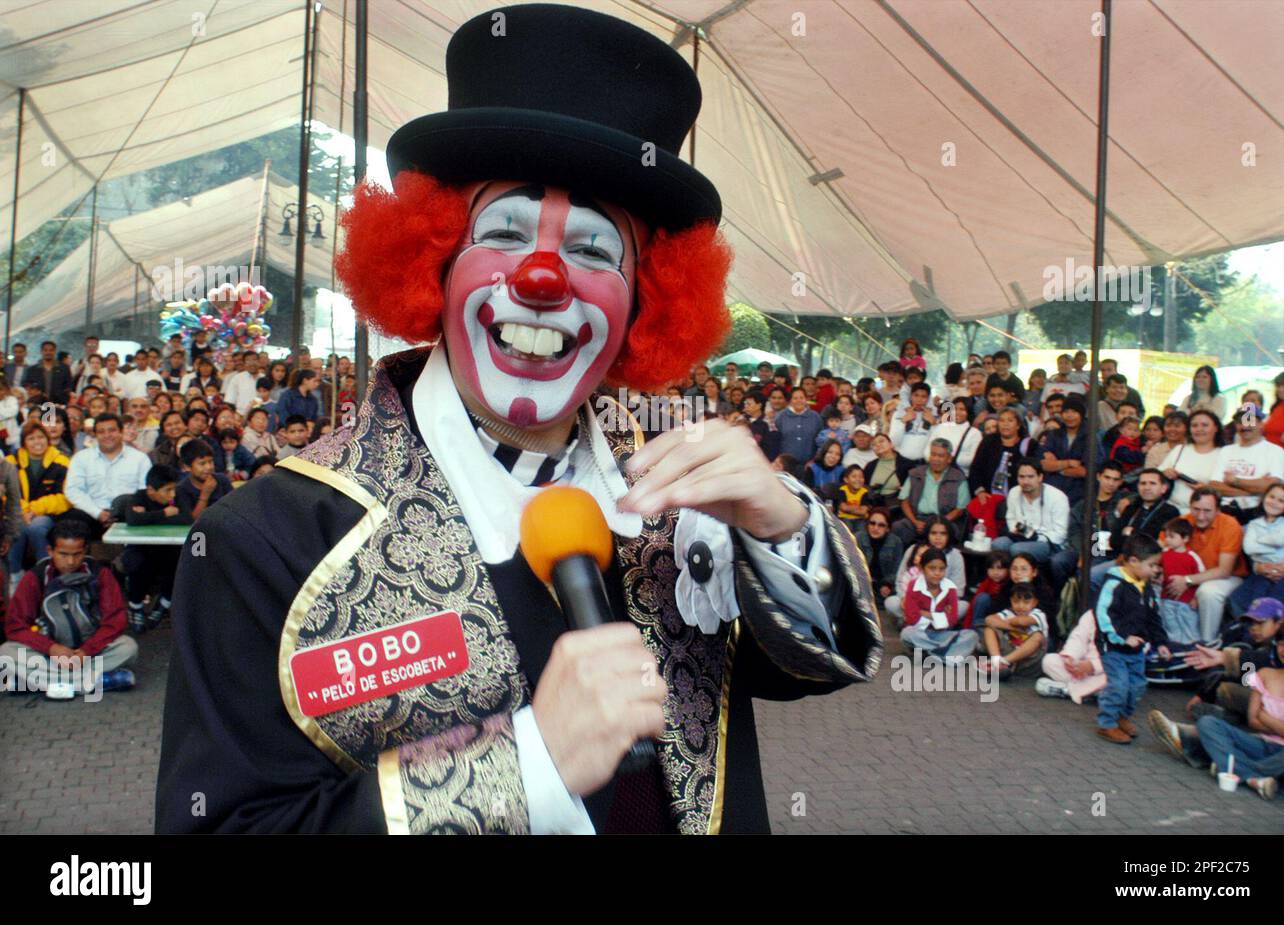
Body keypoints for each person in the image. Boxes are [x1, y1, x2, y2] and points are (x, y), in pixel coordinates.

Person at [156, 5, 881, 835]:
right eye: (503, 232)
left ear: (647, 300)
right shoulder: (268, 542)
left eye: (594, 250)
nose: (542, 278)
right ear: (430, 262)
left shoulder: (683, 495)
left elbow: (820, 665)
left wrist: (781, 525)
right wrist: (529, 765)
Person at [0, 518, 137, 697]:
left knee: (128, 647)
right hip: (49, 652)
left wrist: (86, 651)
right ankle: (90, 683)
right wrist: (52, 648)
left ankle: (42, 683)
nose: (71, 561)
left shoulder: (100, 573)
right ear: (50, 551)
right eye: (63, 554)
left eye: (77, 554)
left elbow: (115, 621)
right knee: (6, 651)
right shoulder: (36, 576)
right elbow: (16, 626)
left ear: (85, 551)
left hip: (89, 651)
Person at [1192, 619, 1284, 800]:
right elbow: (1253, 721)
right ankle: (1253, 778)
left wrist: (1267, 718)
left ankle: (1229, 765)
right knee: (1207, 723)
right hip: (1261, 744)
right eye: (1282, 644)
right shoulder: (1265, 674)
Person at [1093, 534, 1172, 744]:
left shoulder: (1145, 586)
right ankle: (1107, 723)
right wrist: (1122, 637)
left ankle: (1122, 716)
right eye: (1152, 565)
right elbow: (1103, 615)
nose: (1156, 570)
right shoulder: (1113, 584)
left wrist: (1161, 642)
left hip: (1136, 650)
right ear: (1133, 561)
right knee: (1118, 685)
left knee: (1136, 686)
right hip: (1114, 647)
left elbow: (1153, 617)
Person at [111, 464, 187, 632]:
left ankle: (164, 604)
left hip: (168, 548)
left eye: (173, 489)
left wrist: (146, 516)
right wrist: (165, 514)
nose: (172, 494)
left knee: (181, 563)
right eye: (167, 490)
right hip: (141, 548)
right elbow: (132, 519)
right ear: (151, 490)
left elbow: (185, 518)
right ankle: (135, 606)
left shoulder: (178, 496)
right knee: (137, 562)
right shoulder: (138, 497)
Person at [1163, 488, 1245, 641]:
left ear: (1218, 510)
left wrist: (1187, 580)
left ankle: (1207, 643)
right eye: (1196, 509)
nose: (1201, 516)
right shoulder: (1184, 521)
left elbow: (1224, 570)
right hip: (1191, 573)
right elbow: (1162, 546)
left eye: (1207, 511)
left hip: (1227, 577)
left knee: (1208, 592)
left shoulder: (1230, 525)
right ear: (1190, 506)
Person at [5, 421, 70, 594]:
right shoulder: (11, 461)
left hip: (50, 515)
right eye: (31, 438)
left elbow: (65, 497)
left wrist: (34, 510)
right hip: (17, 513)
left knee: (37, 527)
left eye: (41, 437)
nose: (37, 442)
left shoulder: (61, 461)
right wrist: (23, 512)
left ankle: (47, 575)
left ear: (47, 439)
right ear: (24, 441)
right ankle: (15, 576)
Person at [63, 414, 151, 529]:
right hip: (91, 514)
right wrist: (97, 513)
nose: (107, 435)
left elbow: (144, 491)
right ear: (95, 435)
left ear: (121, 431)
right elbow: (73, 490)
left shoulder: (140, 458)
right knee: (71, 521)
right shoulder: (81, 458)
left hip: (128, 513)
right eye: (101, 432)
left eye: (112, 430)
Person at [1226, 483, 1284, 618]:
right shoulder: (1254, 523)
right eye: (1271, 497)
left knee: (1274, 605)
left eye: (1281, 501)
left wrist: (1259, 542)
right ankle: (1246, 632)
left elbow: (1279, 540)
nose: (1274, 503)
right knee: (1246, 600)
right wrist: (1265, 562)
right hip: (1263, 572)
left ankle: (1267, 633)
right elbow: (1249, 549)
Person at [1207, 404, 1284, 521]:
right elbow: (1215, 486)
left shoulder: (1275, 451)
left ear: (1261, 424)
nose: (1245, 426)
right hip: (1224, 511)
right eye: (1240, 422)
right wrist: (1254, 490)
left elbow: (1272, 486)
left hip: (1257, 513)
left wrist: (1235, 481)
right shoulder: (1226, 451)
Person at [900, 548, 976, 663]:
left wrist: (925, 614)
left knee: (972, 635)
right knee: (907, 633)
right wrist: (941, 616)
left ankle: (931, 653)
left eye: (941, 569)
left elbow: (952, 619)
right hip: (921, 632)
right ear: (922, 568)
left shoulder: (950, 588)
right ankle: (946, 654)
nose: (937, 573)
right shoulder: (914, 586)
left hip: (943, 634)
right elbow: (912, 618)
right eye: (932, 568)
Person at [991, 459, 1069, 566]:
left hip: (1048, 543)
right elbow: (1011, 518)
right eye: (1021, 477)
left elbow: (1060, 534)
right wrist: (1019, 531)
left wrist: (1036, 536)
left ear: (1040, 477)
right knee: (998, 544)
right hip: (1020, 537)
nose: (1025, 482)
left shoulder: (1057, 497)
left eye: (1030, 477)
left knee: (1017, 549)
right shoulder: (1014, 492)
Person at [893, 438, 969, 548]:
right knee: (898, 527)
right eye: (933, 454)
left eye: (941, 456)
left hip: (944, 521)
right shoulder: (915, 473)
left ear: (949, 459)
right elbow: (904, 500)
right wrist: (914, 521)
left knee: (950, 532)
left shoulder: (958, 477)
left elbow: (960, 509)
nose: (936, 459)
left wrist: (938, 523)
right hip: (918, 519)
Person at [981, 581, 1048, 679]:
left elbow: (1021, 622)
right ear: (1011, 601)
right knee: (989, 629)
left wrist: (1006, 622)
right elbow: (989, 620)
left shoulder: (1038, 614)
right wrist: (1015, 629)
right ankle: (996, 661)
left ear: (1035, 603)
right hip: (1008, 653)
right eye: (1016, 601)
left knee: (1038, 636)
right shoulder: (1009, 612)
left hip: (1029, 662)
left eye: (1026, 602)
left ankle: (1003, 662)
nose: (1021, 606)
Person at [1037, 610, 1107, 703]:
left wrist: (1093, 666)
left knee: (1118, 680)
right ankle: (1090, 693)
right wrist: (1070, 658)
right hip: (1081, 669)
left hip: (1106, 669)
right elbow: (1078, 638)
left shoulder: (1127, 617)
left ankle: (1067, 690)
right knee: (1049, 661)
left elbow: (1123, 657)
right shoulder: (1092, 614)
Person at [1162, 409, 1224, 513]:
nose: (1199, 429)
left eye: (1205, 425)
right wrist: (1166, 472)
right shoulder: (1180, 449)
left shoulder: (1224, 454)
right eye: (1194, 425)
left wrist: (1206, 489)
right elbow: (1159, 475)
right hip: (1171, 511)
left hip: (1205, 515)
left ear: (1216, 428)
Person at [968, 407, 1037, 500]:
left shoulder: (1029, 444)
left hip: (1019, 499)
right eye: (1001, 420)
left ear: (1018, 425)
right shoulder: (989, 441)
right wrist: (980, 491)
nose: (1005, 424)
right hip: (989, 497)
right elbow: (975, 469)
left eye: (1010, 420)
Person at [1040, 394, 1089, 505]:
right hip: (1052, 491)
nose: (1069, 416)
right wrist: (1069, 463)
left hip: (1078, 495)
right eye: (1066, 412)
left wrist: (1056, 466)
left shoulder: (1090, 438)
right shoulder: (1054, 435)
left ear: (1081, 415)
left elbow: (1084, 471)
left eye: (1074, 412)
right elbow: (1045, 465)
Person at [858, 507, 902, 605]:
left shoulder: (896, 542)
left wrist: (887, 584)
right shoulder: (858, 538)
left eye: (881, 525)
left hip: (885, 585)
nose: (875, 528)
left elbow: (897, 569)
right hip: (864, 584)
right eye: (872, 523)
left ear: (888, 528)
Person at [926, 395, 980, 475]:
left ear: (968, 412)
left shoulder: (975, 433)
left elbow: (971, 459)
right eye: (955, 409)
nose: (957, 412)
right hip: (934, 473)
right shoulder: (941, 427)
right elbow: (927, 451)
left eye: (962, 409)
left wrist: (945, 459)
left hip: (958, 476)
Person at [773, 386, 821, 467]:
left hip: (809, 464)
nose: (799, 401)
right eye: (795, 398)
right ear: (790, 400)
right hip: (785, 464)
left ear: (806, 399)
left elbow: (820, 440)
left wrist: (814, 460)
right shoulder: (781, 416)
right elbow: (775, 440)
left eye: (801, 398)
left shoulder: (815, 417)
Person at [21, 341, 73, 405]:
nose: (48, 352)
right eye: (45, 350)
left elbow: (68, 385)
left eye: (51, 350)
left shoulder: (64, 368)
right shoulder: (32, 370)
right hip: (37, 403)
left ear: (55, 351)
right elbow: (27, 385)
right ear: (41, 351)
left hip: (59, 403)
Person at [861, 434, 903, 507]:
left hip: (897, 505)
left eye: (881, 441)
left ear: (891, 444)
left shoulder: (905, 464)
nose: (878, 445)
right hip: (874, 504)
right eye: (874, 444)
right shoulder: (870, 466)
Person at [221, 350, 262, 416]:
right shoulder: (237, 379)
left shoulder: (265, 378)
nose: (252, 363)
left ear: (259, 362)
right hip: (239, 416)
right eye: (248, 360)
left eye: (254, 360)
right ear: (244, 363)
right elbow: (229, 401)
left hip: (260, 417)